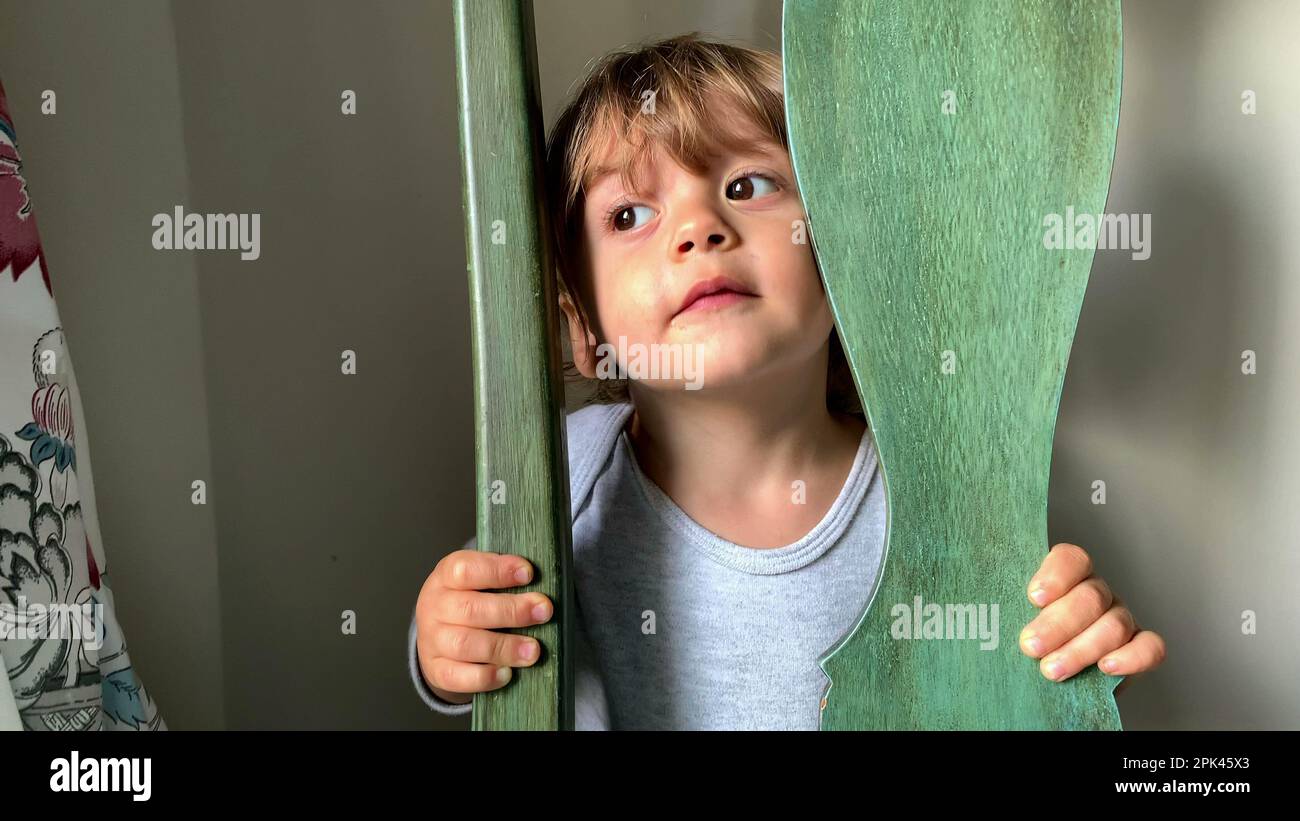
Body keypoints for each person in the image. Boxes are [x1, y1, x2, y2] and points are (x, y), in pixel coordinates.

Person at [408, 33, 1166, 730]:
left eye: (747, 186)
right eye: (631, 212)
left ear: (839, 261)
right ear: (583, 323)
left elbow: (1004, 685)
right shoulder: (564, 474)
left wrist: (1068, 667)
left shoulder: (939, 493)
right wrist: (441, 645)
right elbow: (481, 610)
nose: (698, 228)